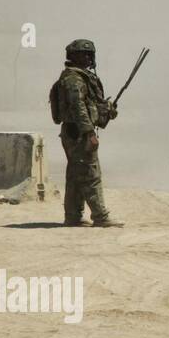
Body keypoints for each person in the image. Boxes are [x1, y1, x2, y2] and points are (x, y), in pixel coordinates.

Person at [55, 39, 124, 227]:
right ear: (73, 56)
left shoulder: (80, 76)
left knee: (76, 175)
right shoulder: (73, 78)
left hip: (76, 131)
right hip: (78, 132)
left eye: (89, 54)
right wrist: (88, 133)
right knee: (90, 173)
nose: (87, 57)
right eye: (82, 54)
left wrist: (106, 110)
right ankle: (101, 217)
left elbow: (89, 104)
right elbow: (78, 107)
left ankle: (73, 216)